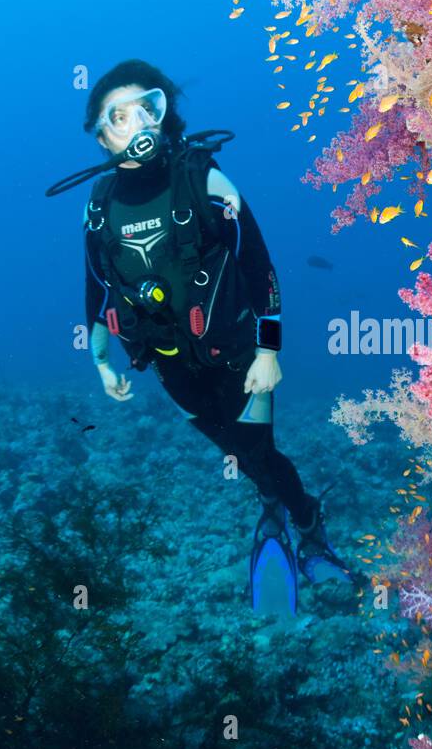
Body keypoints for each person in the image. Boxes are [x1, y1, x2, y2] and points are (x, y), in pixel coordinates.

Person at [67, 58, 353, 613]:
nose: (138, 124)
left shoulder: (206, 181)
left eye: (149, 107)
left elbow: (260, 269)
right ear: (102, 136)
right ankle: (274, 503)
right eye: (119, 116)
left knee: (257, 450)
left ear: (165, 112)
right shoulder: (98, 206)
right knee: (237, 452)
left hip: (242, 356)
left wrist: (270, 350)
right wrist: (101, 362)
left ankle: (305, 520)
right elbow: (96, 289)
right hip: (172, 368)